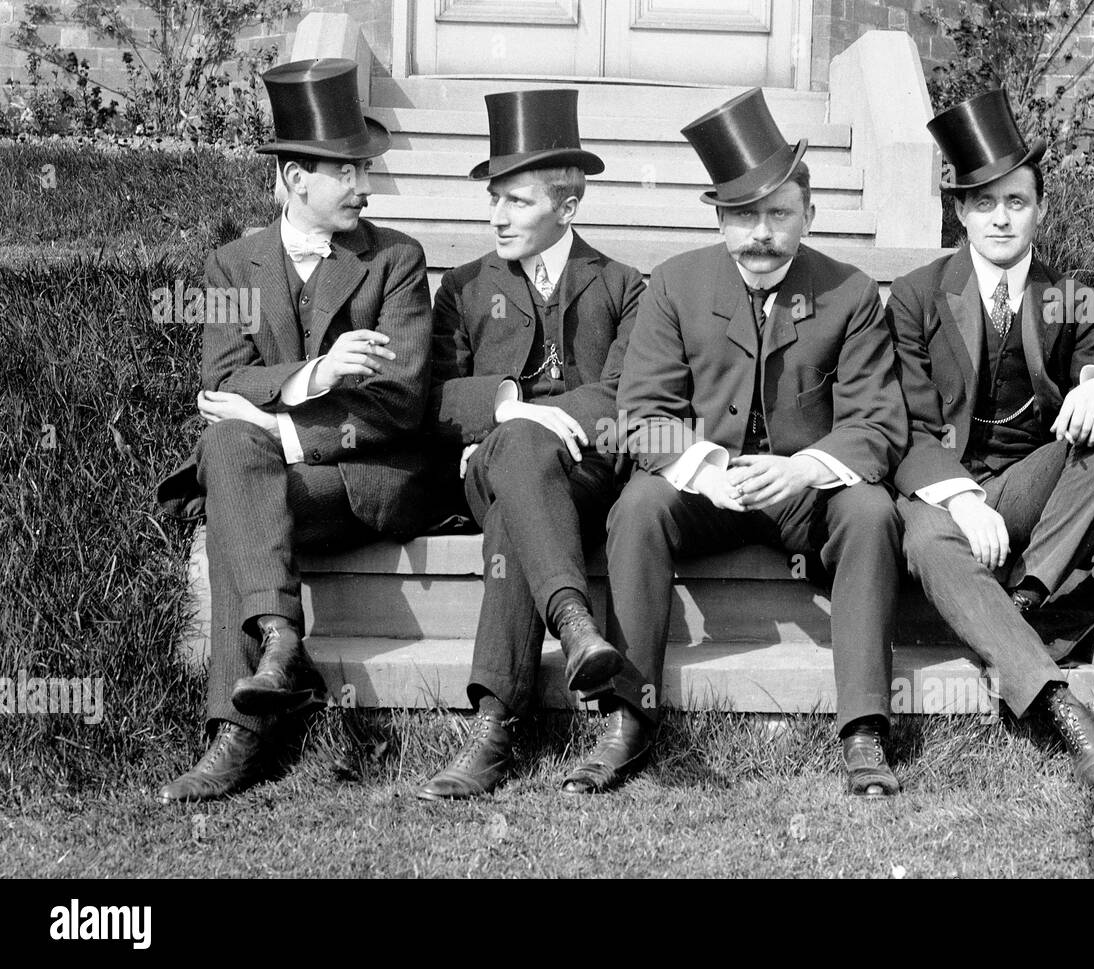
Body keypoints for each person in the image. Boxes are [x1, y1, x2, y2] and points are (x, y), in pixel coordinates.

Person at [567, 89, 910, 797]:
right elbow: (637, 416)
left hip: (802, 499)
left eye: (779, 215)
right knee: (637, 506)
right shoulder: (675, 285)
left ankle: (865, 728)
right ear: (720, 220)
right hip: (707, 492)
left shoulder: (848, 294)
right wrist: (707, 466)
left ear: (808, 215)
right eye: (744, 217)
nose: (761, 235)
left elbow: (878, 424)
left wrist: (805, 470)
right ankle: (628, 716)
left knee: (872, 511)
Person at [155, 58, 438, 801]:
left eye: (365, 169)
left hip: (363, 482)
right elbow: (221, 382)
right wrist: (317, 374)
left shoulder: (397, 260)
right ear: (291, 178)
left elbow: (402, 398)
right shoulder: (228, 266)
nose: (365, 186)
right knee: (224, 444)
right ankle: (280, 644)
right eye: (345, 170)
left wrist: (280, 427)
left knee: (234, 479)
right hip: (280, 485)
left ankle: (239, 731)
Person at [886, 89, 1094, 788]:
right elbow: (902, 424)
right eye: (983, 203)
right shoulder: (916, 295)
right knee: (921, 537)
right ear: (960, 213)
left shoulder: (1065, 292)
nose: (1000, 218)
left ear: (1042, 209)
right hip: (941, 492)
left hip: (1028, 491)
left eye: (1015, 201)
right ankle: (1055, 700)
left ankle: (1028, 595)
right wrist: (962, 500)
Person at [418, 90, 644, 799]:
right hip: (488, 467)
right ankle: (575, 626)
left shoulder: (623, 287)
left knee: (521, 497)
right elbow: (434, 399)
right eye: (495, 199)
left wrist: (543, 423)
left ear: (567, 208)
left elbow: (624, 395)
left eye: (517, 201)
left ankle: (493, 731)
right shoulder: (462, 287)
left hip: (581, 476)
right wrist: (515, 408)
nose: (496, 216)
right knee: (516, 452)